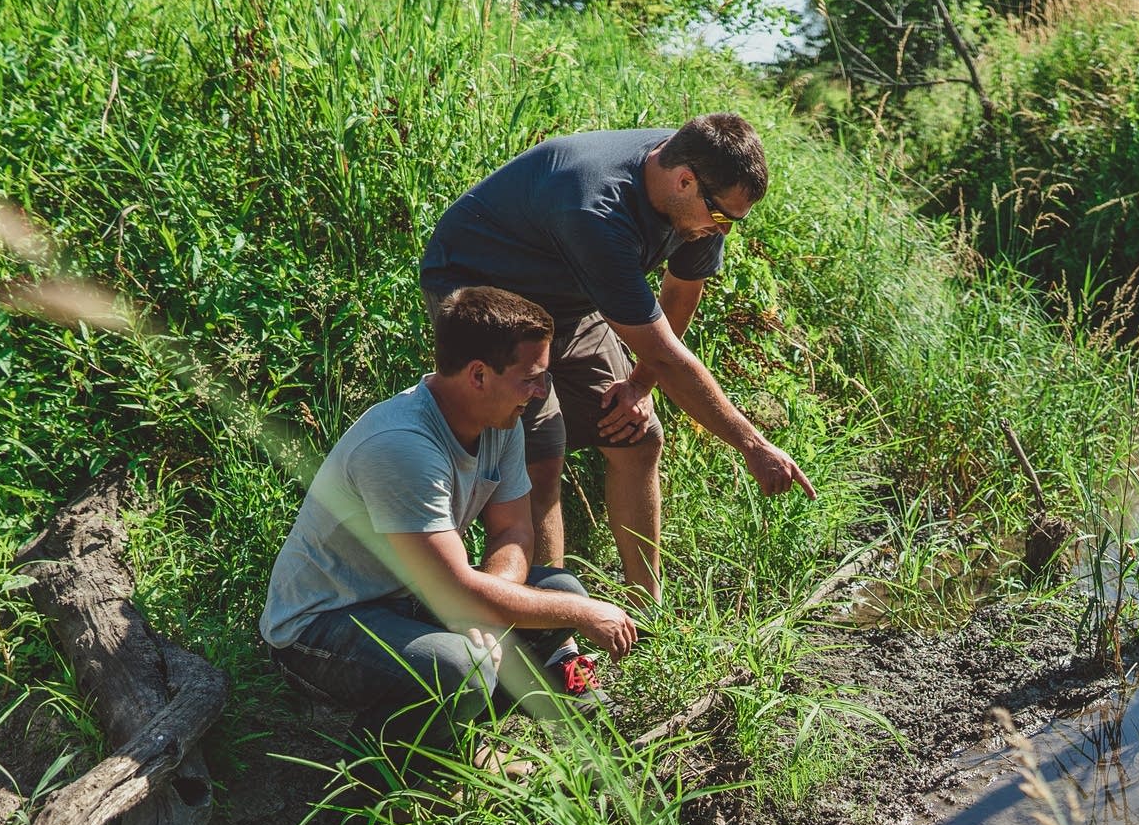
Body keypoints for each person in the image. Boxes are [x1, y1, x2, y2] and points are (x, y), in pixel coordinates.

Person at [419, 112, 815, 602]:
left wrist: (639, 385)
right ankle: (549, 623)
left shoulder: (693, 202)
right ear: (684, 181)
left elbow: (680, 295)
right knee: (540, 455)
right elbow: (669, 356)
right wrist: (753, 446)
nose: (723, 233)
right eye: (722, 218)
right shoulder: (596, 209)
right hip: (484, 290)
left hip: (570, 296)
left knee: (636, 433)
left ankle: (645, 605)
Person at [261, 286, 639, 773]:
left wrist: (487, 609)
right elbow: (454, 586)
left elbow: (513, 533)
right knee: (462, 667)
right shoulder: (402, 444)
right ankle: (381, 778)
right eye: (531, 378)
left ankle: (570, 721)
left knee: (558, 587)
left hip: (415, 596)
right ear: (479, 374)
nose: (541, 392)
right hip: (323, 624)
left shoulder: (501, 420)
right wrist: (575, 612)